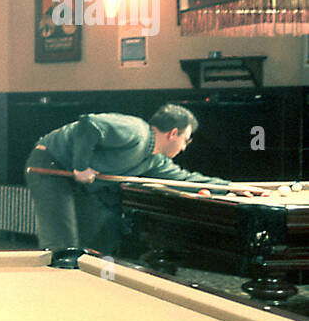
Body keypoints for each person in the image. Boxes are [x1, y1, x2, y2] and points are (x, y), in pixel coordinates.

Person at [24, 104, 263, 255]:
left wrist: (229, 187)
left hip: (76, 180)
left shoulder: (154, 161)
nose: (184, 147)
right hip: (49, 163)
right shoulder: (136, 132)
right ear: (173, 134)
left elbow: (187, 179)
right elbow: (89, 125)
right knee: (62, 242)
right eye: (185, 139)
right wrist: (81, 166)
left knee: (94, 235)